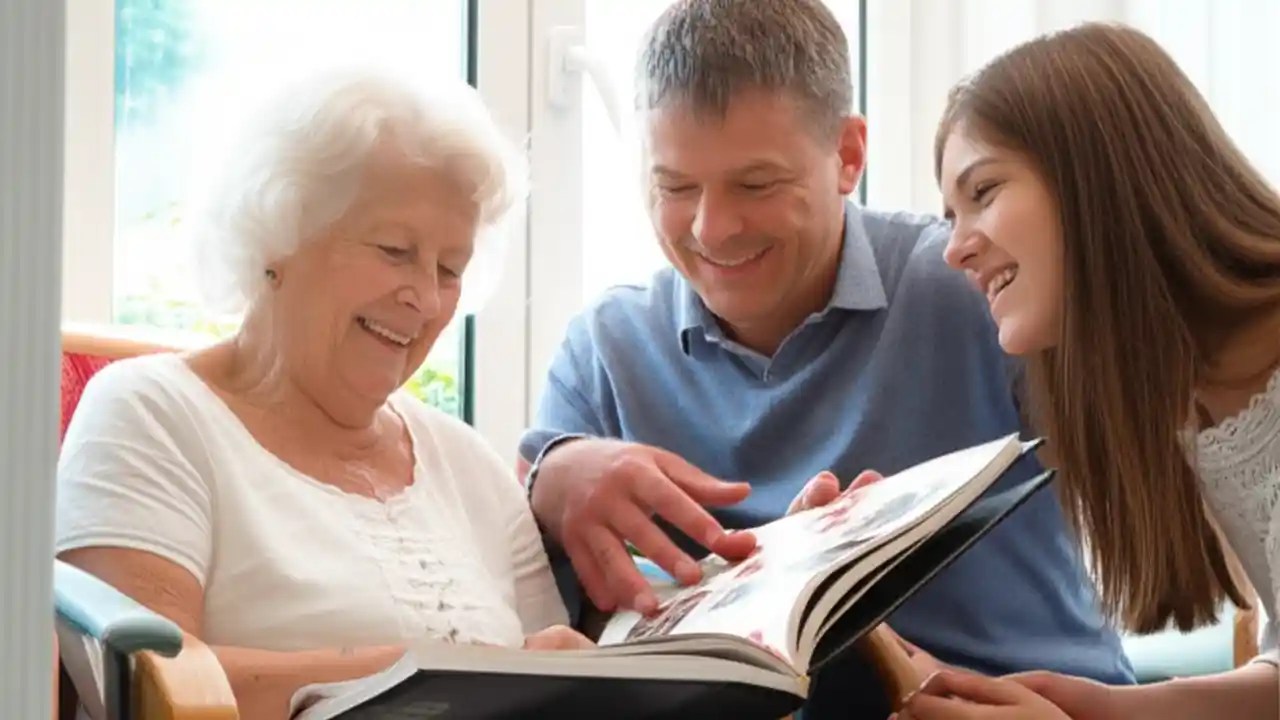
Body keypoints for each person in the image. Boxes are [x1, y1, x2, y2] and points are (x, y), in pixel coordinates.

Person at [518, 1, 1134, 717]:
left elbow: (1168, 484)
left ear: (848, 155)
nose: (711, 228)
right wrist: (547, 482)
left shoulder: (978, 283)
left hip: (1029, 704)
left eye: (755, 185)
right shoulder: (605, 351)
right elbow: (554, 639)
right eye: (675, 187)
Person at [54, 68, 592, 719]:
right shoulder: (152, 413)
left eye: (450, 269)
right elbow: (145, 687)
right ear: (277, 234)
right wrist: (452, 676)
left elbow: (553, 679)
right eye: (395, 250)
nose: (424, 298)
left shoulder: (469, 465)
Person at [897, 21, 1280, 720]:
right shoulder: (1195, 404)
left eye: (982, 192)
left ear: (1097, 174)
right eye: (949, 214)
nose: (953, 251)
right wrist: (1107, 710)